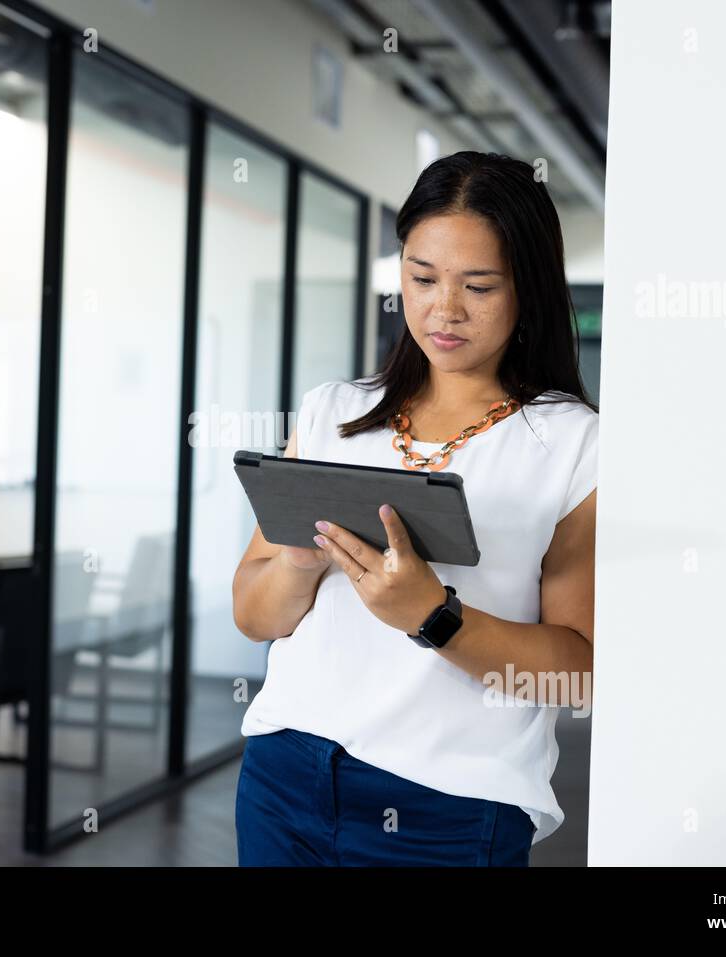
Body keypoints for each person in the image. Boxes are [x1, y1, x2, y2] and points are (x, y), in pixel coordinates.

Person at [231, 151, 599, 866]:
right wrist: (302, 564)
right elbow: (254, 615)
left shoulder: (573, 443)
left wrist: (434, 617)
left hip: (451, 810)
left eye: (479, 285)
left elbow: (577, 672)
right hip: (286, 777)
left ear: (529, 287)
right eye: (422, 277)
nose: (444, 309)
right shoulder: (335, 412)